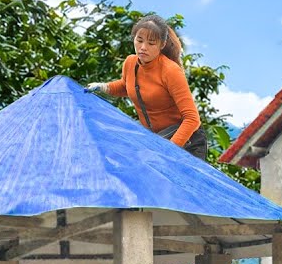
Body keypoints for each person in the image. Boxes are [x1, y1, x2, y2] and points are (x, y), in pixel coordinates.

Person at [86, 15, 207, 159]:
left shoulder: (170, 71)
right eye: (139, 40)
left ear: (162, 45)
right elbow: (126, 86)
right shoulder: (131, 63)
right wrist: (103, 87)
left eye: (151, 43)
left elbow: (192, 119)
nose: (143, 48)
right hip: (157, 139)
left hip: (186, 142)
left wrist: (169, 149)